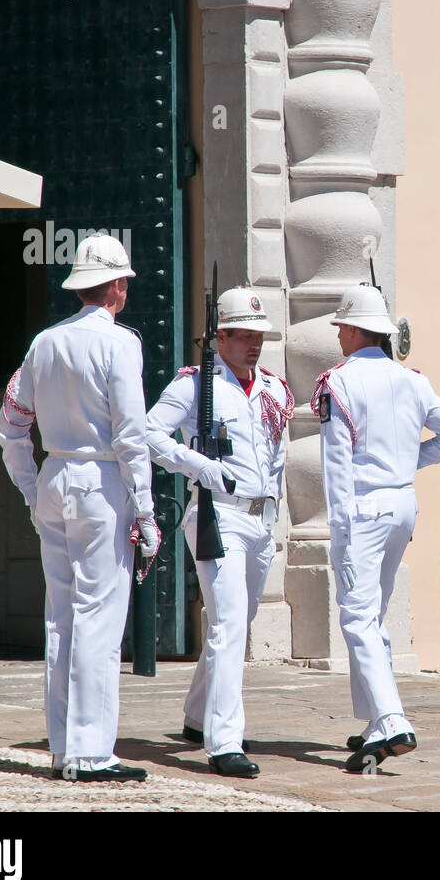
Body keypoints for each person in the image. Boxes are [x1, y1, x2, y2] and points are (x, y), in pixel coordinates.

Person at [0, 234, 158, 783]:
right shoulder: (121, 344)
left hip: (54, 475)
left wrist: (28, 486)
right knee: (98, 617)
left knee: (61, 617)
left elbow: (10, 424)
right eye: (126, 282)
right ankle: (91, 752)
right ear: (115, 285)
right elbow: (132, 435)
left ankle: (66, 746)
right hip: (101, 480)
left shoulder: (44, 343)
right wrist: (146, 509)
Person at [313, 283, 440, 773]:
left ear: (359, 329)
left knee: (357, 618)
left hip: (361, 509)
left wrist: (339, 529)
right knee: (373, 617)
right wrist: (405, 465)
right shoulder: (413, 381)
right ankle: (373, 724)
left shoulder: (337, 381)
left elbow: (336, 465)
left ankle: (393, 719)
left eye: (341, 324)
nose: (337, 332)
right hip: (403, 504)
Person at [145, 287, 292, 778]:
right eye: (244, 335)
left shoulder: (273, 390)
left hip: (259, 519)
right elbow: (147, 434)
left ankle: (195, 715)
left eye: (260, 336)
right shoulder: (194, 385)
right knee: (229, 625)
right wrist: (199, 466)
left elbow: (277, 457)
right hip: (218, 515)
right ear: (219, 337)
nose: (255, 344)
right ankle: (223, 741)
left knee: (237, 623)